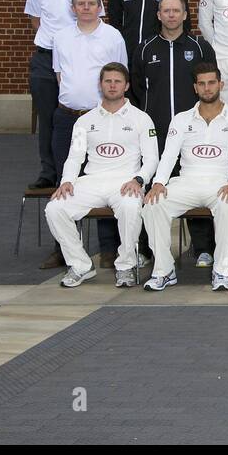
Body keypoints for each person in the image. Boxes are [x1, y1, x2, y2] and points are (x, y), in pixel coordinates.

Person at [44, 63, 158, 288]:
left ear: (126, 86)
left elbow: (152, 159)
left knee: (130, 206)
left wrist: (139, 179)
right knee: (54, 208)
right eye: (108, 81)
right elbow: (75, 157)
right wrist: (67, 181)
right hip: (92, 181)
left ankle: (126, 266)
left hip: (126, 181)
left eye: (117, 81)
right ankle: (80, 265)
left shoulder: (141, 119)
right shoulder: (84, 121)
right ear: (100, 85)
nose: (112, 85)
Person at [141, 63, 228, 293]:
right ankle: (163, 271)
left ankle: (222, 271)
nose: (207, 88)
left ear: (221, 84)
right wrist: (159, 182)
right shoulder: (181, 119)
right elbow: (169, 155)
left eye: (211, 83)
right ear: (195, 88)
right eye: (202, 84)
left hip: (220, 182)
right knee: (152, 205)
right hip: (186, 182)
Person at [130, 0, 218, 267]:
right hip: (154, 134)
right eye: (166, 11)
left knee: (195, 184)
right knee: (152, 190)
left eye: (176, 10)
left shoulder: (200, 47)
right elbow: (136, 90)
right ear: (158, 15)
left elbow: (209, 88)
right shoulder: (145, 49)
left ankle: (204, 248)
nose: (171, 15)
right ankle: (146, 250)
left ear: (184, 14)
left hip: (192, 134)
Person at [47, 0, 128, 268]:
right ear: (73, 8)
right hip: (67, 116)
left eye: (91, 3)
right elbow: (60, 75)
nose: (85, 8)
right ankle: (64, 250)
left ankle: (108, 249)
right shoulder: (61, 37)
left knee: (103, 178)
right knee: (65, 180)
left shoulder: (112, 36)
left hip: (101, 117)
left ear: (99, 7)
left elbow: (119, 73)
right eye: (80, 3)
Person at [24, 0, 100, 190]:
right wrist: (56, 43)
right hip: (46, 59)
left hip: (78, 59)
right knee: (47, 118)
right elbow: (36, 20)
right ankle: (49, 171)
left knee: (81, 115)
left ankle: (84, 169)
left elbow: (95, 22)